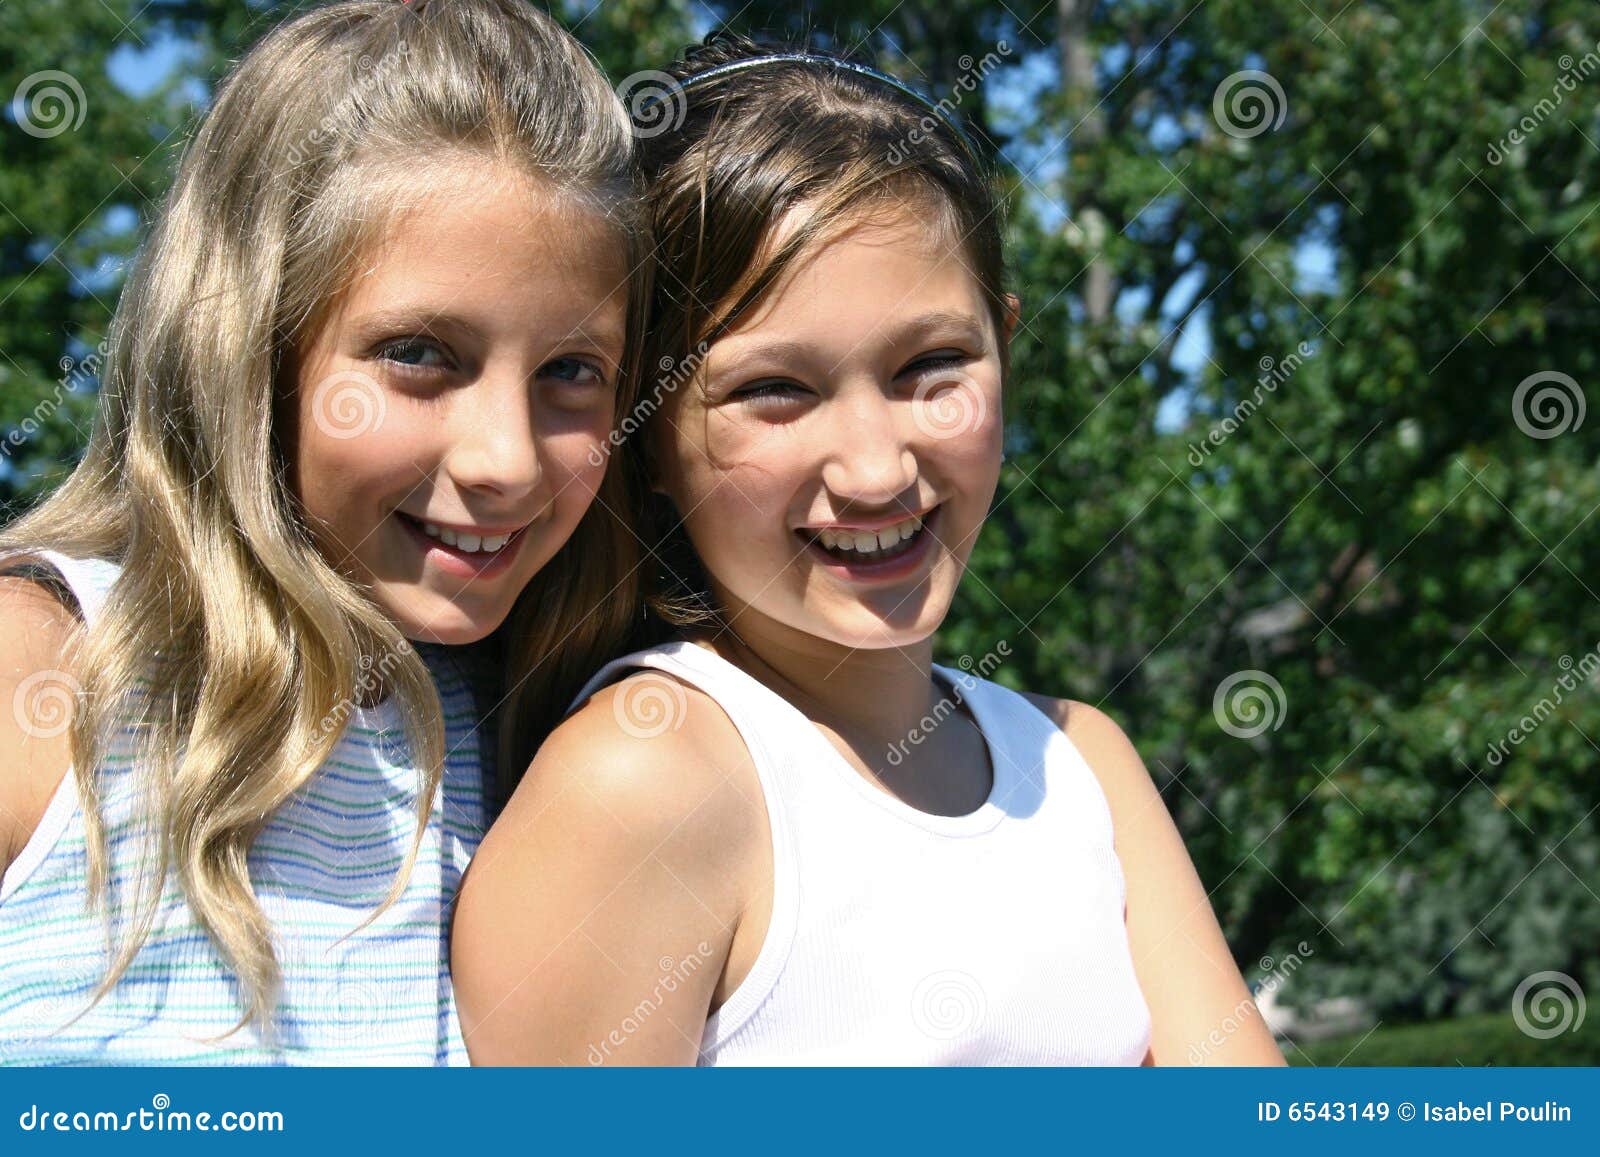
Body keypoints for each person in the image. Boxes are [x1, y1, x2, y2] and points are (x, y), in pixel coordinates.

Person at [454, 33, 1287, 1067]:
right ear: (648, 432)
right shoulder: (646, 782)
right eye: (776, 390)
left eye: (929, 366)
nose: (876, 469)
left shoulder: (1082, 761)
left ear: (1006, 349)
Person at [0, 0, 641, 1064]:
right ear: (248, 348)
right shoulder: (46, 668)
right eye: (420, 353)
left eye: (571, 371)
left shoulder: (561, 740)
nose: (507, 458)